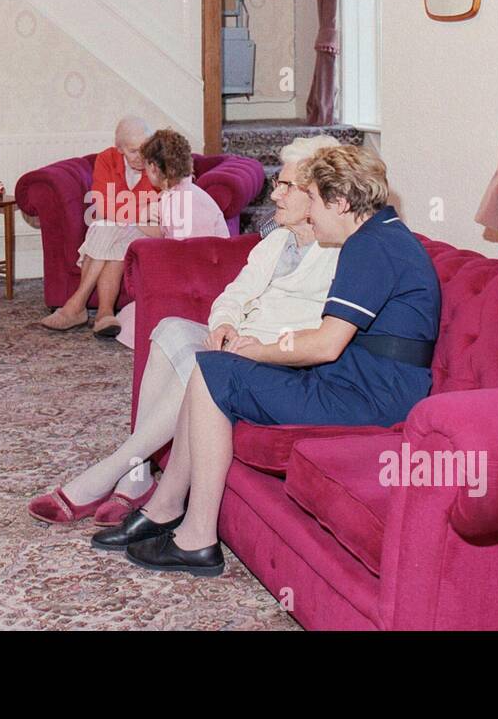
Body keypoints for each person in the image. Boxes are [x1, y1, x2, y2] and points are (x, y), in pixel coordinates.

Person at [94, 145, 441, 577]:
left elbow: (325, 345)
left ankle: (197, 537)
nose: (308, 214)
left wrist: (253, 350)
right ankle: (170, 510)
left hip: (371, 397)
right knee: (212, 368)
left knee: (215, 369)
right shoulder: (377, 236)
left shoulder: (371, 248)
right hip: (357, 381)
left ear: (340, 203)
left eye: (311, 200)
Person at [28, 136, 341, 526]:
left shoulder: (338, 254)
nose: (275, 193)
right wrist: (224, 322)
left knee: (200, 364)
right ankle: (138, 476)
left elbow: (319, 328)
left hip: (274, 360)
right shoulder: (278, 239)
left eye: (286, 186)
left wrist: (255, 342)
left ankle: (111, 472)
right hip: (238, 340)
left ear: (316, 195)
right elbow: (234, 292)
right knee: (168, 329)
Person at [40, 116, 156, 335]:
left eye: (146, 148)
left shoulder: (159, 161)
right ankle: (104, 314)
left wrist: (125, 213)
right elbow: (100, 208)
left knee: (109, 231)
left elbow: (159, 214)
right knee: (108, 232)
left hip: (146, 232)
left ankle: (76, 306)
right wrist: (136, 212)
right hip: (115, 226)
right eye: (133, 151)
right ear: (119, 148)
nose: (141, 157)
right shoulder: (106, 160)